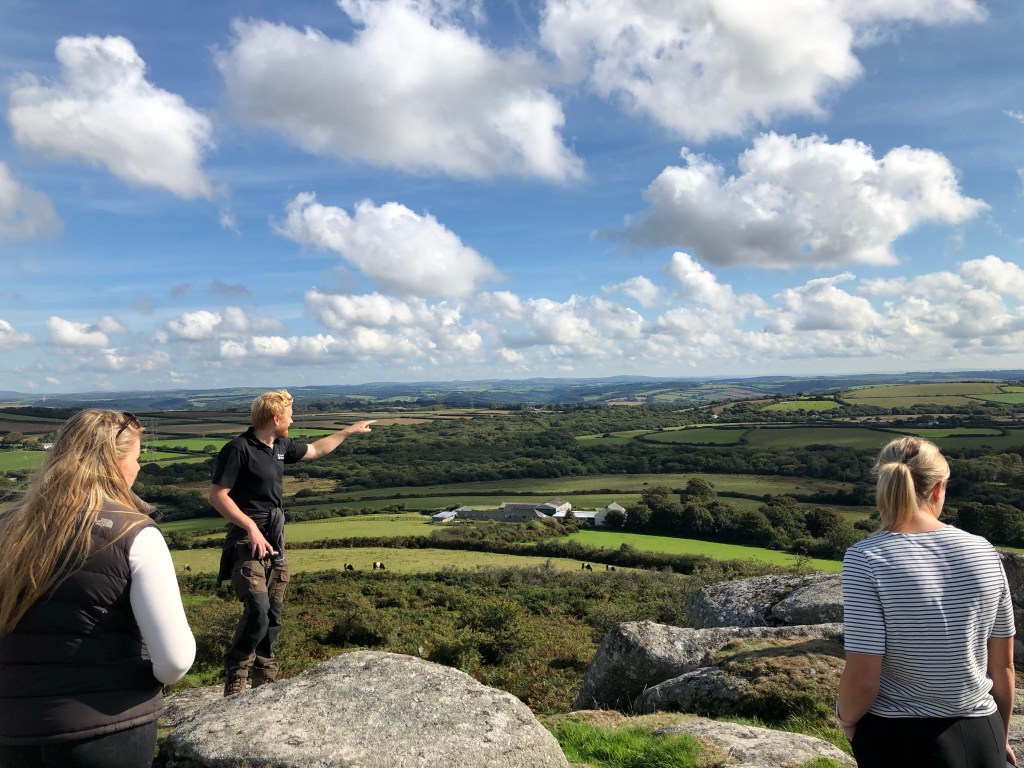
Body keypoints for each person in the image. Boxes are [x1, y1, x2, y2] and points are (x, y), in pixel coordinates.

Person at [0, 409, 195, 768]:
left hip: (12, 732)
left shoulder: (8, 528)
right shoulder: (133, 533)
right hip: (107, 731)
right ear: (114, 464)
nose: (138, 468)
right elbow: (175, 660)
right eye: (136, 458)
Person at [838, 436, 1016, 767]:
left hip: (900, 740)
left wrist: (846, 720)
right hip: (982, 732)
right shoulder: (984, 551)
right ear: (938, 489)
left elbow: (863, 679)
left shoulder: (866, 559)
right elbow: (1002, 666)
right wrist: (1000, 736)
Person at [209, 390, 374, 696]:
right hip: (246, 539)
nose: (293, 421)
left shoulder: (280, 446)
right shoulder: (238, 449)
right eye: (290, 416)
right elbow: (217, 495)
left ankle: (265, 676)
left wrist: (348, 431)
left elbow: (316, 450)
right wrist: (250, 527)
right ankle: (237, 673)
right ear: (276, 419)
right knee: (258, 608)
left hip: (274, 538)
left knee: (272, 613)